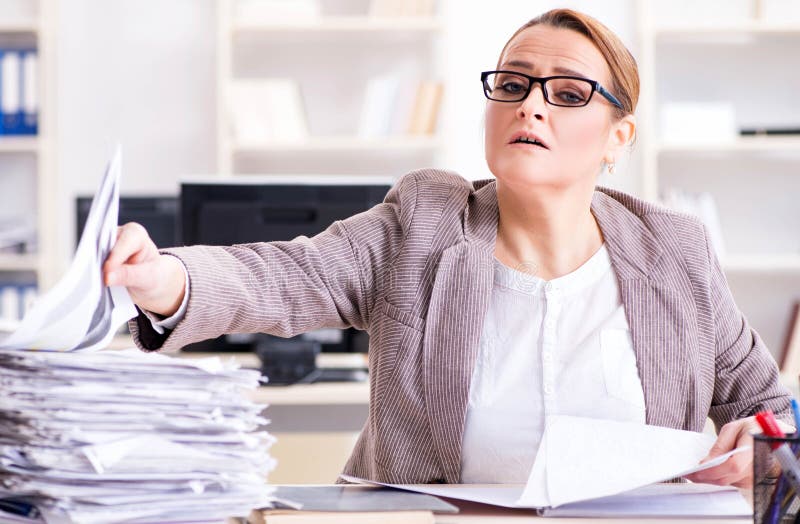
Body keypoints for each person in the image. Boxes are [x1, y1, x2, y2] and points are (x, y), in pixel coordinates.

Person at [104, 8, 792, 488]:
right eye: (514, 85)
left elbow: (772, 412)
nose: (532, 105)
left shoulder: (674, 250)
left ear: (619, 138)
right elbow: (287, 276)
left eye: (569, 93)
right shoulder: (425, 221)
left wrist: (758, 447)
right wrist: (166, 276)